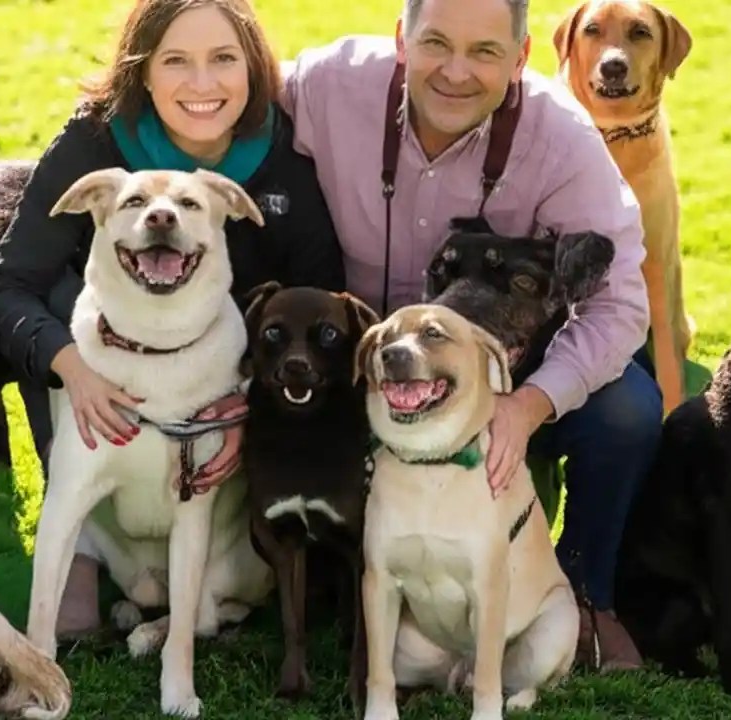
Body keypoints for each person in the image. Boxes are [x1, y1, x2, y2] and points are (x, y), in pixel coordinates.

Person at [280, 0, 660, 669]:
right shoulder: (325, 85)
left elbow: (622, 306)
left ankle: (584, 593)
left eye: (485, 51)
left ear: (521, 57)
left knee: (626, 411)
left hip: (505, 368)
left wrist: (529, 403)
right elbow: (214, 96)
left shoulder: (563, 141)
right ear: (401, 38)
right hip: (363, 360)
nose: (456, 72)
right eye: (435, 43)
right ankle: (295, 583)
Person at [0, 0, 345, 638]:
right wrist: (73, 367)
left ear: (254, 68)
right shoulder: (96, 139)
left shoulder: (283, 149)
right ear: (141, 72)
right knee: (62, 315)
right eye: (175, 61)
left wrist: (249, 408)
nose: (202, 85)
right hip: (104, 352)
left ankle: (226, 568)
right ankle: (85, 551)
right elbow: (9, 286)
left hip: (221, 364)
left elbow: (319, 299)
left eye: (224, 60)